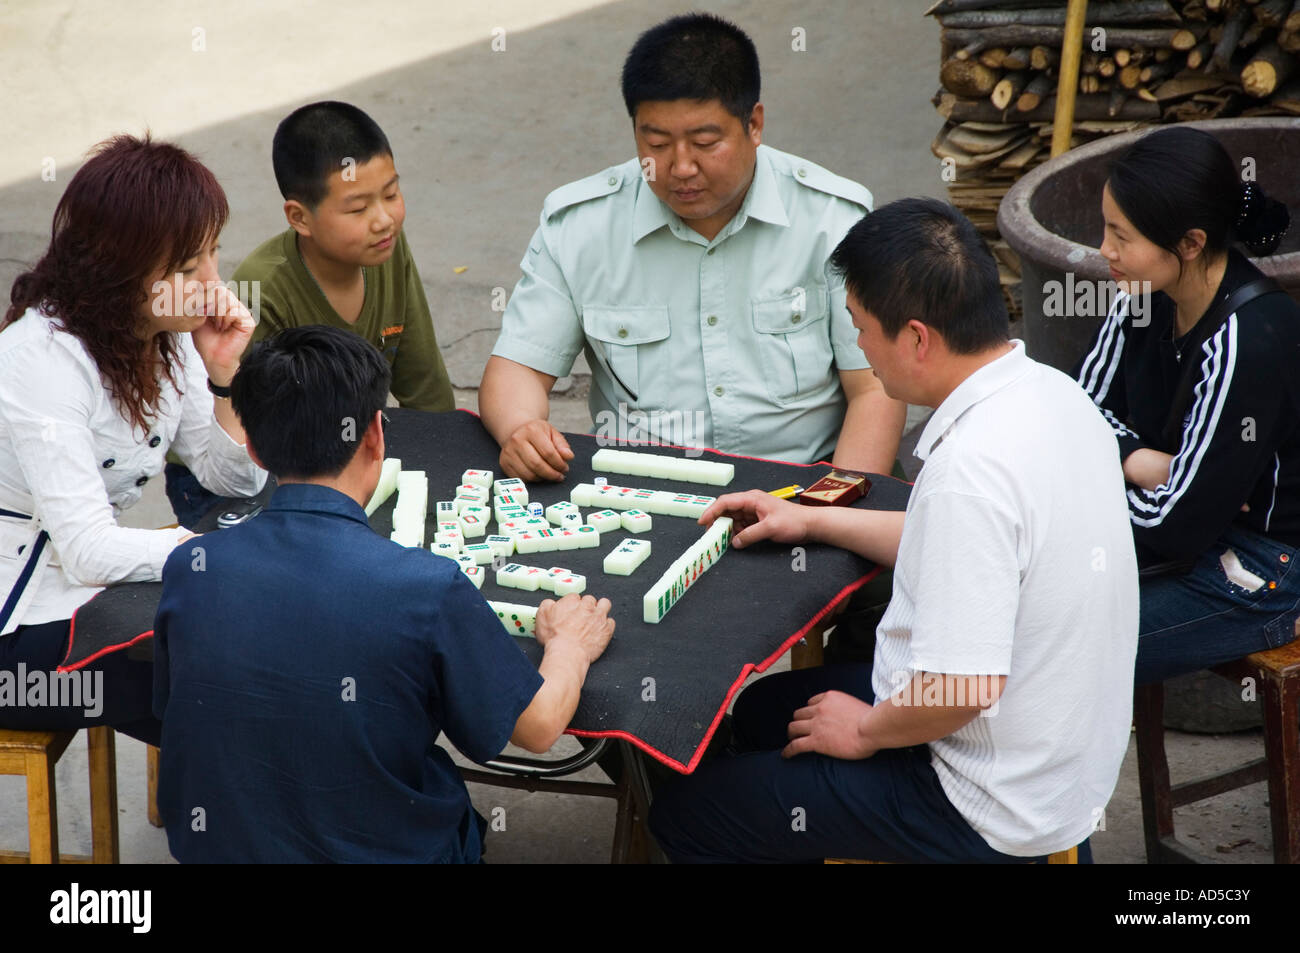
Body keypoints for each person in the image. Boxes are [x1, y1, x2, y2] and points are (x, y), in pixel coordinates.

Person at [649, 198, 1139, 863]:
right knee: (765, 713)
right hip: (1058, 759)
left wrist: (867, 731)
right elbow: (966, 550)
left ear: (914, 338)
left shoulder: (970, 469)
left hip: (982, 799)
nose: (858, 348)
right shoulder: (1054, 396)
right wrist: (814, 516)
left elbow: (963, 688)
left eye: (860, 327)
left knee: (686, 812)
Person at [153, 325, 615, 863]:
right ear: (376, 434)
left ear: (254, 448)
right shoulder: (426, 587)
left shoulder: (191, 567)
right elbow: (538, 728)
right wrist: (569, 647)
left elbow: (180, 712)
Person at [480, 12, 906, 482]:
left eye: (705, 142)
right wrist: (521, 430)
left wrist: (828, 512)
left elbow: (876, 389)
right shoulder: (580, 228)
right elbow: (518, 367)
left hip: (801, 484)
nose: (681, 167)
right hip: (641, 496)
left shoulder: (832, 221)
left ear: (755, 124)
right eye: (656, 142)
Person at [0, 135, 267, 746]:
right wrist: (205, 550)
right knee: (215, 670)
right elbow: (91, 551)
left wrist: (226, 377)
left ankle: (246, 807)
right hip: (14, 633)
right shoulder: (40, 363)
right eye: (184, 267)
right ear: (117, 272)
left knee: (237, 658)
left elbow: (234, 478)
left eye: (213, 254)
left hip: (84, 593)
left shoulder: (167, 331)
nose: (210, 282)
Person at [1074, 126, 1300, 686]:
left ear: (1191, 243)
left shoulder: (1245, 342)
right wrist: (1133, 459)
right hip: (1183, 526)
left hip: (1266, 570)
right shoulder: (1143, 295)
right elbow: (1076, 414)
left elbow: (1175, 525)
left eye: (1121, 236)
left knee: (1060, 646)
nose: (1106, 251)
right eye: (1107, 228)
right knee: (1028, 602)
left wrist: (1078, 493)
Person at [165, 100, 455, 527]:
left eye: (391, 194)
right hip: (240, 478)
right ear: (300, 217)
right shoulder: (262, 288)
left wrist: (448, 460)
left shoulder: (385, 249)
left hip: (345, 457)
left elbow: (424, 384)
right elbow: (253, 447)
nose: (384, 220)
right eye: (358, 208)